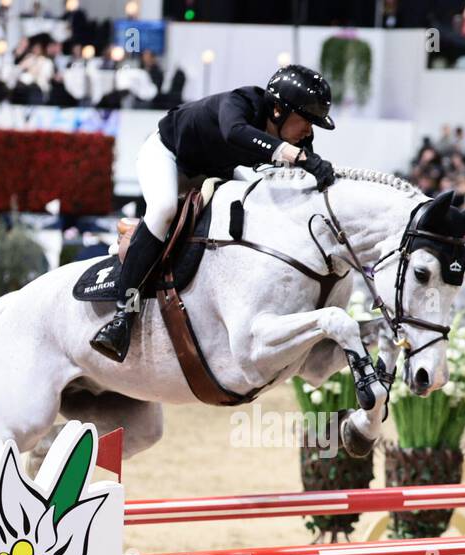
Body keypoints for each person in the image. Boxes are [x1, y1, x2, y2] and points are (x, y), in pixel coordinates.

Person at [91, 63, 337, 363]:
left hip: (211, 171)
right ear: (277, 111)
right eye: (307, 120)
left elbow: (301, 169)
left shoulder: (297, 137)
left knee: (255, 212)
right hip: (167, 155)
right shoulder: (239, 102)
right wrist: (298, 157)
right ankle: (122, 316)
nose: (309, 130)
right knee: (165, 208)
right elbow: (235, 132)